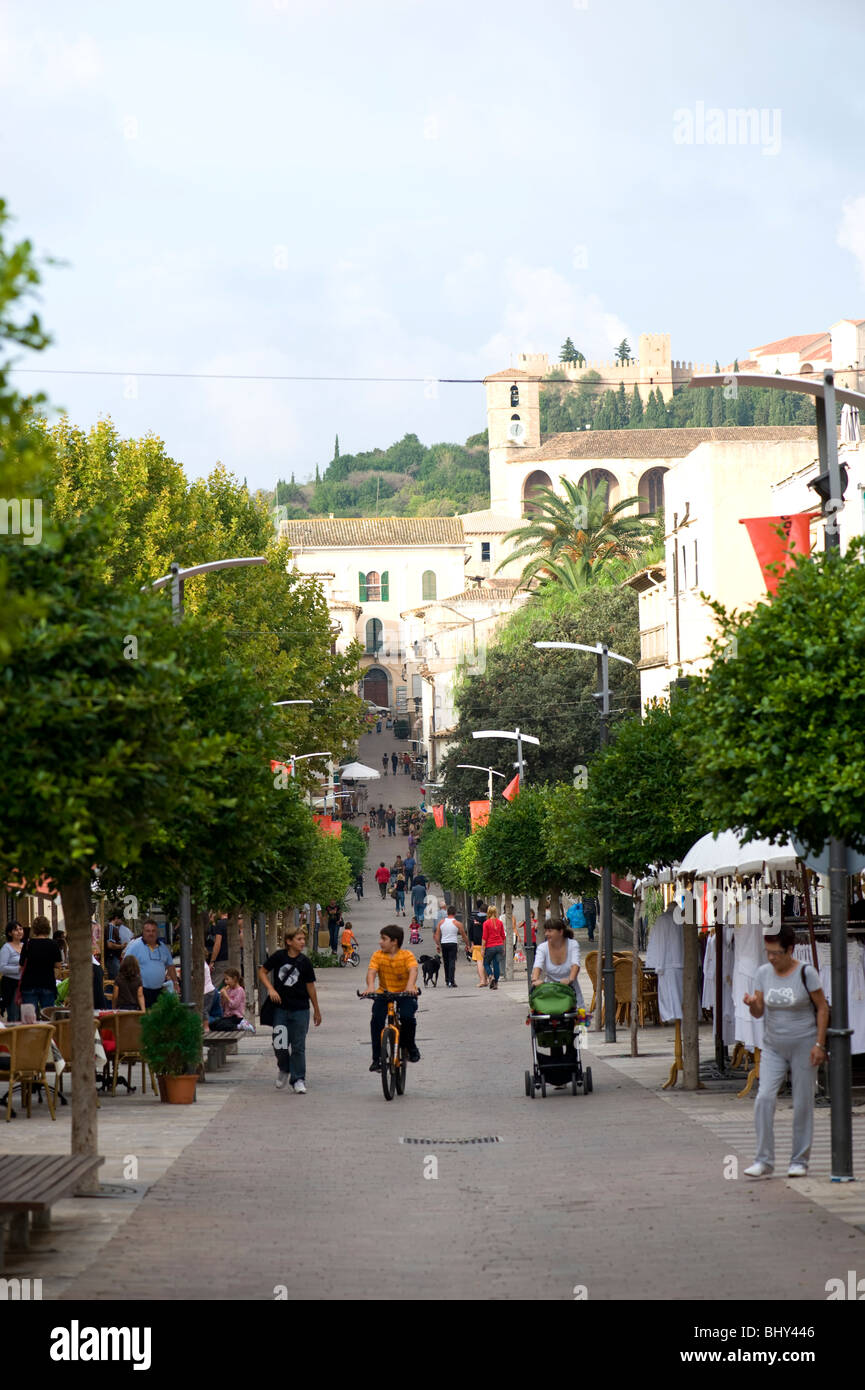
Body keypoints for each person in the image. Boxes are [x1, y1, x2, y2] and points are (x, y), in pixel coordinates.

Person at [742, 923, 829, 1178]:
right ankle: (763, 1160)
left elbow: (822, 1008)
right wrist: (752, 1004)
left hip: (804, 1044)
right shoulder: (763, 973)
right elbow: (758, 1012)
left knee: (802, 1103)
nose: (771, 957)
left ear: (790, 950)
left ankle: (799, 1160)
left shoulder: (806, 973)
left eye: (776, 953)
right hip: (773, 1046)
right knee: (764, 1098)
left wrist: (819, 1044)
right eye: (768, 952)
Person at [259, 926, 321, 1093]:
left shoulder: (305, 962)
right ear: (288, 941)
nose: (302, 942)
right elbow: (263, 971)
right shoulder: (279, 957)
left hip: (300, 1009)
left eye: (303, 939)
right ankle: (284, 1068)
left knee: (298, 1046)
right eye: (299, 939)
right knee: (279, 1044)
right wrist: (270, 989)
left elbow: (311, 987)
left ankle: (298, 1078)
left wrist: (316, 1009)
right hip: (280, 1009)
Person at [365, 924, 420, 1069]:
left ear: (394, 941)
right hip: (384, 993)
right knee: (376, 1021)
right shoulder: (378, 955)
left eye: (384, 939)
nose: (380, 942)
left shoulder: (406, 955)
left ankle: (410, 1046)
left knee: (407, 1017)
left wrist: (410, 986)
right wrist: (370, 987)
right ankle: (377, 1058)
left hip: (405, 993)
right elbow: (371, 972)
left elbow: (413, 970)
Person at [122, 919, 179, 1008]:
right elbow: (125, 964)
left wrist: (175, 983)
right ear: (143, 932)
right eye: (148, 931)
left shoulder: (163, 947)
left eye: (153, 931)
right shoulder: (135, 946)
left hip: (159, 991)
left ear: (157, 933)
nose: (151, 933)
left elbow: (170, 966)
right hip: (141, 990)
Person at [531, 919, 585, 1006]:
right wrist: (535, 980)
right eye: (545, 931)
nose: (546, 934)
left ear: (560, 932)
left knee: (575, 1016)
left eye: (550, 931)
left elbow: (575, 964)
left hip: (570, 990)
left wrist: (570, 979)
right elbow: (538, 965)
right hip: (551, 991)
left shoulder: (572, 944)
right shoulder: (542, 947)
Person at [19, 915, 62, 1015]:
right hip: (47, 983)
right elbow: (58, 965)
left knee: (29, 1018)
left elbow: (21, 965)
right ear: (48, 928)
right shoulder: (53, 944)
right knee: (47, 1016)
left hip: (29, 984)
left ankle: (32, 1031)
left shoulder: (28, 944)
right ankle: (47, 1031)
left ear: (34, 929)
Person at [434, 910, 469, 988]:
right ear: (455, 913)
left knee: (446, 962)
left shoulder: (441, 922)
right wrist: (467, 944)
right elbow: (464, 935)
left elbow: (437, 935)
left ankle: (447, 980)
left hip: (444, 943)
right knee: (452, 961)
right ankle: (451, 981)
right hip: (453, 943)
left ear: (447, 913)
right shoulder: (457, 923)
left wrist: (438, 945)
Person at [0, 922, 24, 1021]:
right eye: (16, 930)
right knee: (14, 1014)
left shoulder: (25, 946)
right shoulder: (6, 948)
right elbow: (2, 968)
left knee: (25, 1014)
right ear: (10, 933)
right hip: (11, 985)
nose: (19, 932)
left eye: (20, 929)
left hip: (24, 984)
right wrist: (18, 968)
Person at [482, 906, 506, 991]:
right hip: (499, 945)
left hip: (490, 946)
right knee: (496, 964)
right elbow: (503, 936)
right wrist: (503, 947)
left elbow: (484, 937)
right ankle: (496, 983)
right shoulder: (500, 922)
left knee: (486, 963)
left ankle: (490, 976)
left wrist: (482, 949)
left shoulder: (486, 923)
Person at [104, 910, 133, 981]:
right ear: (116, 918)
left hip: (115, 958)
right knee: (115, 980)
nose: (122, 922)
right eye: (121, 919)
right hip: (111, 957)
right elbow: (110, 945)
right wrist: (121, 946)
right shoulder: (111, 928)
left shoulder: (115, 928)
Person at [468, 912, 486, 987]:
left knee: (479, 962)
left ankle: (482, 980)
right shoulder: (486, 920)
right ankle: (487, 979)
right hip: (486, 943)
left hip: (477, 944)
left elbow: (470, 933)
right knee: (486, 963)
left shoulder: (473, 920)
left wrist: (471, 944)